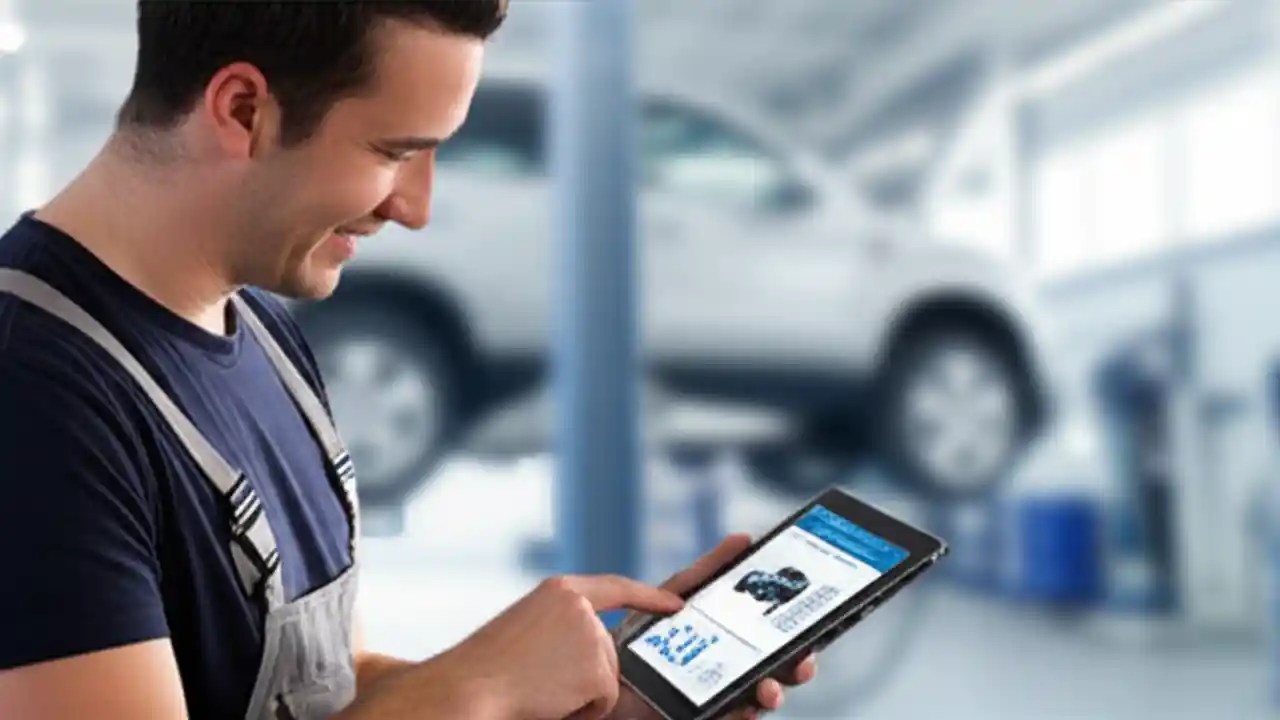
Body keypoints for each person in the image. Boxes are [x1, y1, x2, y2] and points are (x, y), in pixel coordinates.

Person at [0, 2, 818, 719]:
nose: (415, 208)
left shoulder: (265, 333)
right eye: (394, 152)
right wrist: (478, 685)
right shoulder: (33, 393)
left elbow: (332, 688)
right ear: (244, 109)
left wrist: (577, 702)